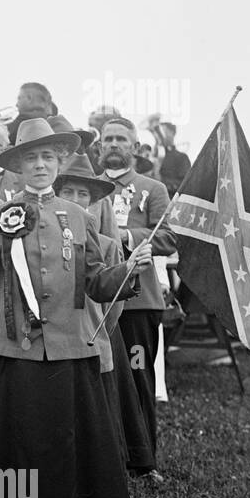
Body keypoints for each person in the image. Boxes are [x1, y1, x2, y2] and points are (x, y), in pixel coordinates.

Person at [0, 119, 148, 498]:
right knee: (15, 447)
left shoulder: (78, 218)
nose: (41, 165)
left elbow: (96, 282)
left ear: (60, 163)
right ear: (19, 167)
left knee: (59, 448)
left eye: (48, 158)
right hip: (11, 350)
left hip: (67, 349)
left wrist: (128, 271)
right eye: (32, 159)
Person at [54, 152, 155, 475]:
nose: (75, 201)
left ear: (96, 203)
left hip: (91, 339)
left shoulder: (108, 245)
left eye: (83, 195)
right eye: (67, 193)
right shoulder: (42, 238)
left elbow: (113, 310)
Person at [99, 117, 177, 469]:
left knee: (137, 374)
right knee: (100, 380)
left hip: (137, 302)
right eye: (107, 139)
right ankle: (105, 457)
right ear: (99, 146)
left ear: (134, 147)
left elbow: (168, 237)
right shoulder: (87, 189)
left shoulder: (152, 188)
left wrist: (127, 236)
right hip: (94, 301)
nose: (113, 144)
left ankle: (143, 459)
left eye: (121, 139)